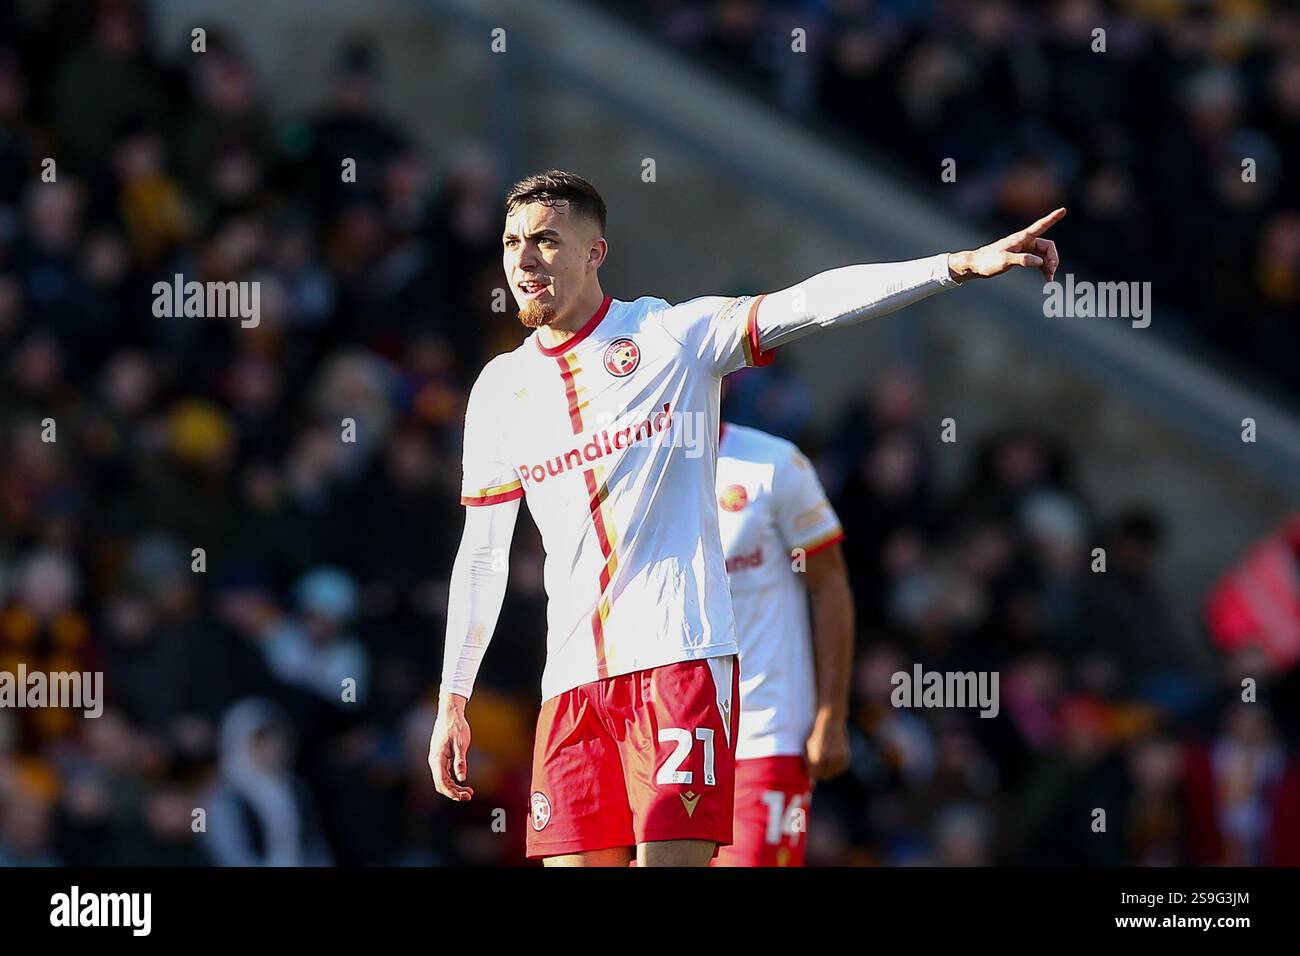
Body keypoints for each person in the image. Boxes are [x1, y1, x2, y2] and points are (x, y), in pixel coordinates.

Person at [429, 168, 1063, 867]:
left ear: (594, 252)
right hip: (571, 688)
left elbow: (811, 303)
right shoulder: (499, 391)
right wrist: (453, 697)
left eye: (546, 241)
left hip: (676, 665)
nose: (523, 260)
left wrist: (956, 265)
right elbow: (481, 555)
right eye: (512, 242)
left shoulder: (671, 336)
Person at [712, 418, 854, 866]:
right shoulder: (629, 470)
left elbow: (829, 586)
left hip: (766, 733)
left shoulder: (774, 463)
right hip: (666, 738)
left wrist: (831, 714)